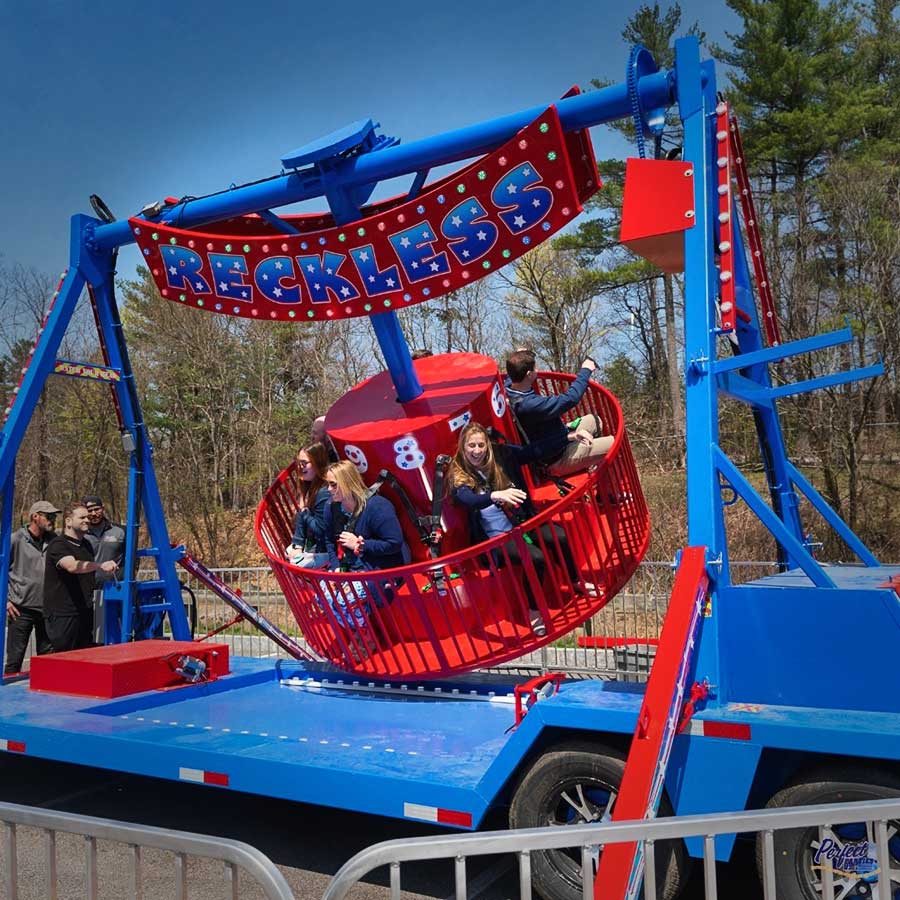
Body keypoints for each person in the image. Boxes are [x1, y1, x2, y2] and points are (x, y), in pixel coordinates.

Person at [448, 422, 594, 635]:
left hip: (520, 521)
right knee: (535, 558)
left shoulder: (500, 455)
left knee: (559, 536)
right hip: (496, 538)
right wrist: (494, 496)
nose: (477, 451)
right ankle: (534, 610)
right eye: (471, 446)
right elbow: (467, 499)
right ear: (463, 447)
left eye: (481, 445)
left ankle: (575, 581)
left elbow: (532, 451)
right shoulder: (459, 472)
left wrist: (569, 437)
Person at [321, 461, 409, 632]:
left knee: (343, 601)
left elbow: (394, 543)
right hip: (349, 567)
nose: (329, 489)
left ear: (347, 482)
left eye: (333, 485)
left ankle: (365, 634)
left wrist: (361, 545)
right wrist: (336, 568)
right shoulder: (331, 508)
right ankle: (355, 631)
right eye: (327, 484)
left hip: (377, 568)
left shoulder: (377, 507)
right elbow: (330, 542)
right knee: (322, 597)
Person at [504, 349, 614, 477]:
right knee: (613, 443)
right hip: (557, 458)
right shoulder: (530, 405)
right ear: (529, 374)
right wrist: (586, 369)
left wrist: (519, 355)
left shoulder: (509, 386)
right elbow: (570, 398)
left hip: (559, 437)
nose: (537, 370)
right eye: (535, 368)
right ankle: (598, 476)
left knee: (594, 420)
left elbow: (510, 373)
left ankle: (590, 459)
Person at [43, 503, 118, 653]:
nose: (87, 520)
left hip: (84, 611)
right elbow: (72, 566)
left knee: (84, 656)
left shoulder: (86, 545)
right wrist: (100, 565)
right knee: (64, 658)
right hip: (63, 614)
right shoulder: (58, 545)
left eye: (88, 517)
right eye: (82, 517)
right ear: (68, 521)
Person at [4, 501, 58, 674]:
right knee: (14, 659)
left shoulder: (55, 541)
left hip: (48, 609)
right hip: (20, 610)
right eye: (49, 516)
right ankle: (7, 699)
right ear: (35, 517)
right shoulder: (14, 540)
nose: (53, 519)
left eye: (54, 516)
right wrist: (5, 600)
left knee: (47, 659)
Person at [82, 495, 126, 643]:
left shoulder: (119, 531)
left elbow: (131, 558)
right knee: (93, 635)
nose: (94, 514)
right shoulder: (81, 533)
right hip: (89, 590)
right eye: (90, 510)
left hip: (115, 589)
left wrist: (125, 577)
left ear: (103, 509)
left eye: (96, 509)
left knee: (117, 633)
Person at [286, 442, 331, 568]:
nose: (300, 467)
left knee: (297, 562)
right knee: (290, 554)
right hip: (315, 545)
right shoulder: (310, 488)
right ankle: (298, 546)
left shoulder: (324, 492)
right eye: (298, 463)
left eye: (305, 463)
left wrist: (305, 513)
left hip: (326, 550)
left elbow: (320, 530)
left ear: (318, 463)